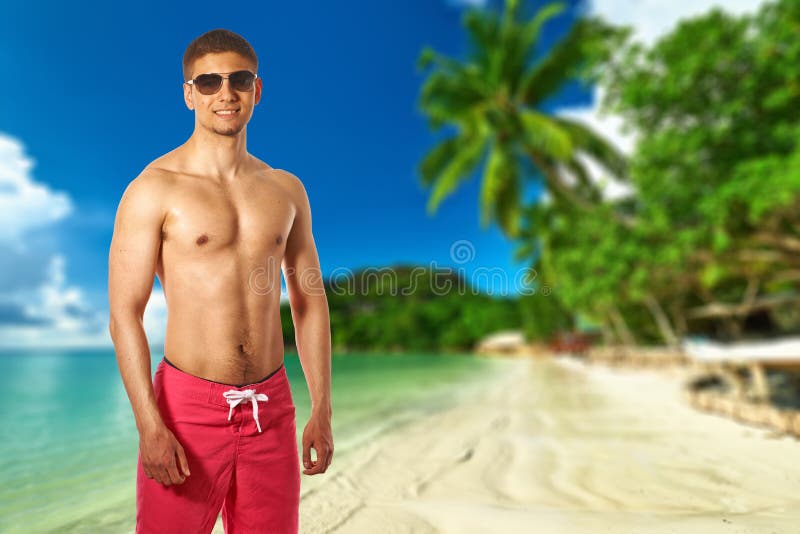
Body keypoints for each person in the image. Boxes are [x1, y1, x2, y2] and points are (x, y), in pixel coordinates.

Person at [108, 28, 333, 534]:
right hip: (185, 411)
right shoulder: (153, 189)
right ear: (189, 94)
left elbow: (309, 302)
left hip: (271, 408)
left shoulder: (286, 189)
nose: (225, 93)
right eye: (209, 82)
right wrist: (149, 423)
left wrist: (322, 408)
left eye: (239, 80)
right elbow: (125, 315)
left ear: (257, 89)